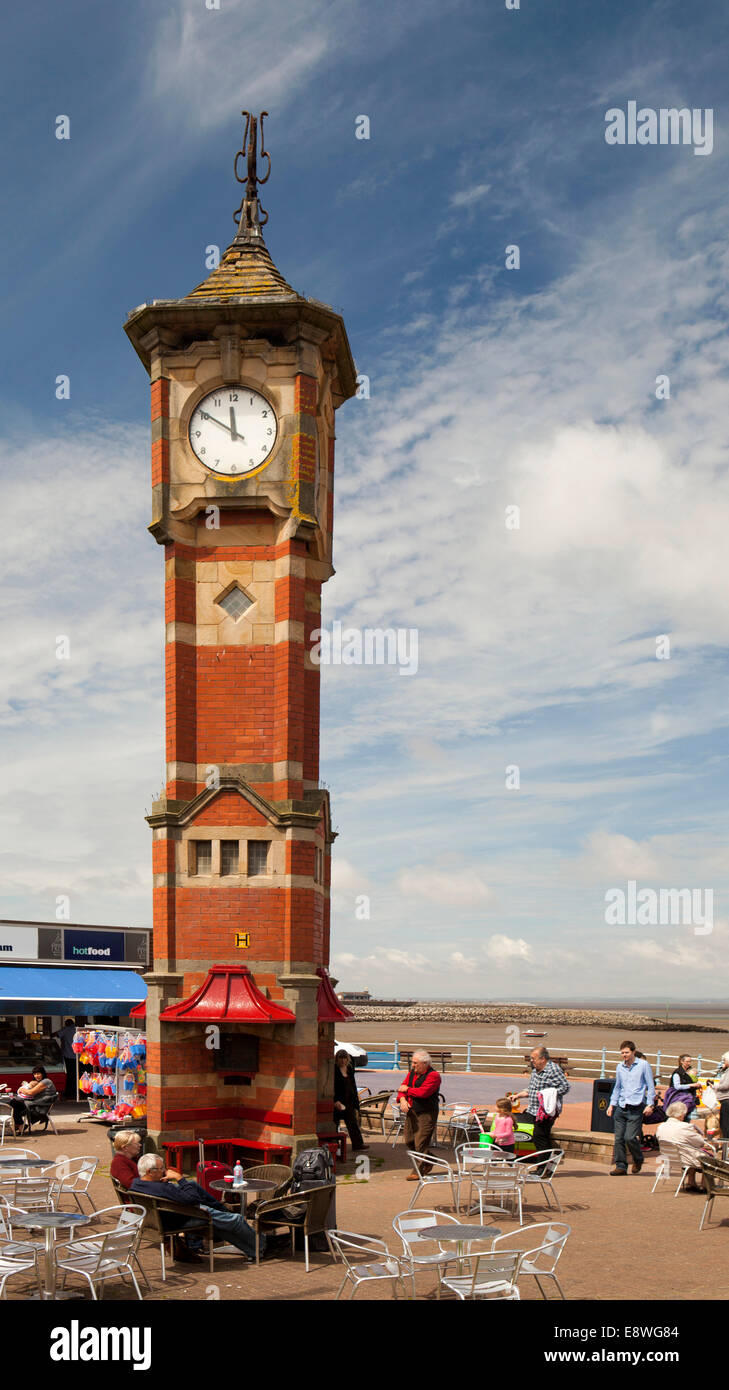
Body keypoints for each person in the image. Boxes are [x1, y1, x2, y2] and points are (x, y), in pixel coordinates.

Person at [130, 1153, 264, 1261]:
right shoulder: (163, 1188)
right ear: (150, 1171)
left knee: (194, 1187)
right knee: (236, 1220)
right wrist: (179, 1178)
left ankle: (252, 1249)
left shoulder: (136, 1184)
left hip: (164, 1218)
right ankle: (262, 1245)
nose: (165, 1171)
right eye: (161, 1169)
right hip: (185, 1217)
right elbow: (192, 1199)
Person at [607, 1040, 655, 1175]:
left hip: (636, 1106)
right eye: (622, 1053)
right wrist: (612, 1104)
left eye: (627, 1052)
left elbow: (650, 1086)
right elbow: (617, 1087)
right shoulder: (620, 1067)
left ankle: (638, 1159)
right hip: (621, 1106)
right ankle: (621, 1166)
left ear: (633, 1052)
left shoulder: (643, 1065)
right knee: (618, 1138)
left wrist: (650, 1104)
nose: (624, 1055)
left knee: (630, 1137)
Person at [512, 1047, 570, 1157]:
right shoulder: (535, 1071)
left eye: (533, 1058)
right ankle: (529, 1159)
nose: (531, 1061)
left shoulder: (553, 1070)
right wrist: (518, 1096)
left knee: (539, 1136)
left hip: (546, 1112)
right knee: (518, 1123)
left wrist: (549, 1094)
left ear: (543, 1058)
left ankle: (544, 1167)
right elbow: (532, 1089)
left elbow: (565, 1087)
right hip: (533, 1110)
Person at [396, 1049, 442, 1179]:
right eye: (413, 1062)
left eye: (416, 1063)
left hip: (427, 1112)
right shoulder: (412, 1073)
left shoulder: (434, 1076)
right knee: (409, 1140)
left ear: (425, 1063)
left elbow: (423, 1092)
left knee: (420, 1142)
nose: (413, 1065)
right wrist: (403, 1099)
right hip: (412, 1111)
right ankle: (429, 1159)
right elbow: (402, 1088)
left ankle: (418, 1170)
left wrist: (408, 1090)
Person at [656, 1101, 716, 1191]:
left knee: (688, 1152)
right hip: (685, 1158)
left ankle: (691, 1182)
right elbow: (700, 1142)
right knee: (705, 1157)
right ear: (680, 1115)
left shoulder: (661, 1126)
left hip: (669, 1158)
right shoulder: (684, 1126)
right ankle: (704, 1185)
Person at [333, 1050, 368, 1154]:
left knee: (352, 1123)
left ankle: (358, 1144)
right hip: (338, 1101)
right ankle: (335, 1145)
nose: (343, 1060)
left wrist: (355, 1102)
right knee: (335, 1124)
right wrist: (335, 1101)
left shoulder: (349, 1069)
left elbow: (353, 1084)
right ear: (337, 1059)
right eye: (341, 1058)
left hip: (349, 1101)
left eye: (344, 1058)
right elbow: (332, 1087)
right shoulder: (334, 1070)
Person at [10, 1066, 57, 1136]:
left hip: (40, 1107)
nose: (36, 1076)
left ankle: (19, 1125)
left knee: (14, 1103)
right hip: (38, 1103)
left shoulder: (46, 1081)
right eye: (34, 1074)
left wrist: (21, 1090)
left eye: (38, 1074)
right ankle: (19, 1125)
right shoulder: (40, 1082)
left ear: (43, 1073)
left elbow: (30, 1093)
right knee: (15, 1103)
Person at [53, 1018, 79, 1101]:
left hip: (68, 1055)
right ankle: (75, 1092)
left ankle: (69, 1092)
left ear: (66, 1024)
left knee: (69, 1075)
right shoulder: (77, 1030)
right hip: (77, 1056)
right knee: (75, 1074)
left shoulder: (66, 1030)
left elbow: (55, 1035)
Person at [714, 1052, 729, 1139]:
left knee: (725, 1124)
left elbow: (726, 1085)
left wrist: (715, 1087)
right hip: (725, 1100)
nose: (723, 1062)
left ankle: (726, 1145)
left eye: (724, 1060)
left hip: (727, 1101)